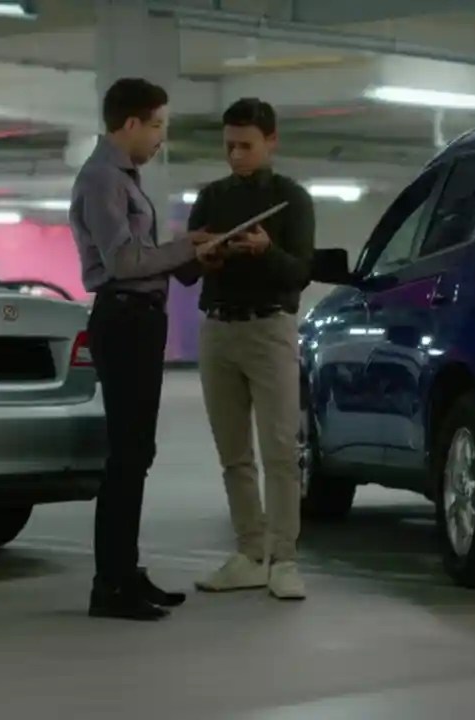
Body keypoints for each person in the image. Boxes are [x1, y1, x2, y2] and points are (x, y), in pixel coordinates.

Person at [70, 77, 224, 621]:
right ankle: (110, 585)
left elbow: (145, 259)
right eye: (157, 124)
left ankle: (123, 571)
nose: (162, 137)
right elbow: (124, 263)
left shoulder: (123, 179)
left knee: (138, 453)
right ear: (130, 123)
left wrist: (196, 256)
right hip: (124, 320)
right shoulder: (101, 180)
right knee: (127, 455)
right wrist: (185, 246)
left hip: (142, 320)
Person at [188, 98, 315, 600]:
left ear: (271, 142)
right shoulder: (212, 197)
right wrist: (205, 254)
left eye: (245, 146)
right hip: (218, 331)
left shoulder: (292, 199)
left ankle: (284, 559)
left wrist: (267, 251)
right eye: (229, 146)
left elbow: (301, 273)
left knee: (281, 449)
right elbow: (187, 266)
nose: (236, 155)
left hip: (269, 329)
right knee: (233, 453)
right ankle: (249, 552)